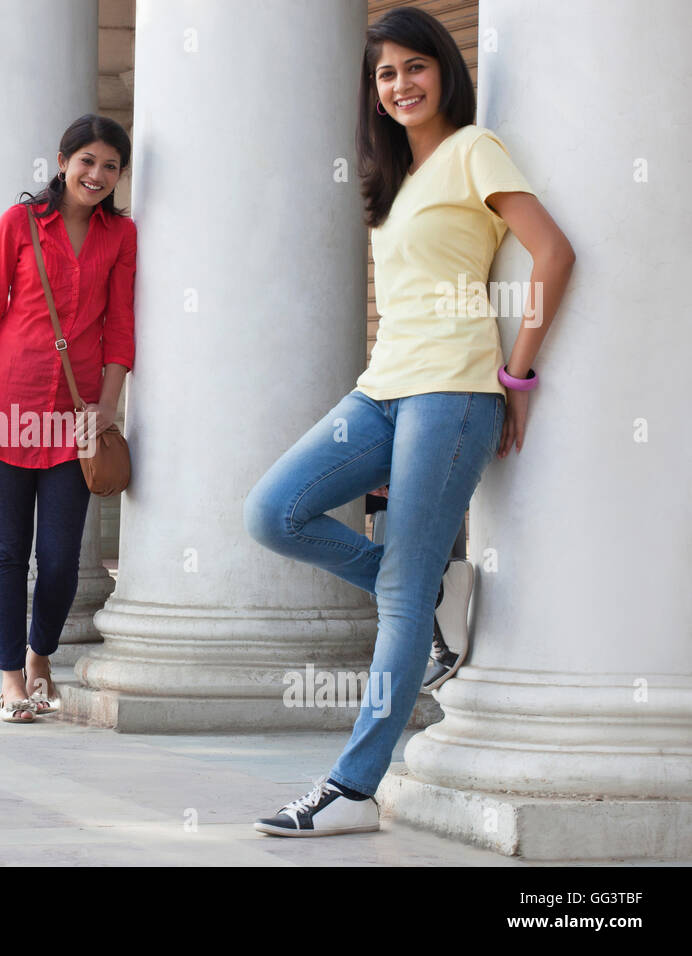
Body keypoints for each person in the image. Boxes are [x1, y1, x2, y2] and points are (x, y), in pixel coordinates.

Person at [244, 7, 574, 835]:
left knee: (397, 591)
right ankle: (426, 591)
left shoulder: (474, 150)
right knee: (274, 511)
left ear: (444, 71)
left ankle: (354, 789)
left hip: (453, 391)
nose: (400, 86)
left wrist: (519, 372)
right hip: (382, 387)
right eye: (385, 75)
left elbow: (554, 252)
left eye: (414, 67)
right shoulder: (390, 178)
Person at [0, 114, 136, 723]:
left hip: (76, 411)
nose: (97, 174)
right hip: (9, 401)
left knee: (61, 557)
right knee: (8, 549)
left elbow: (121, 328)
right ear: (62, 162)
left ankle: (41, 656)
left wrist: (106, 409)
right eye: (87, 160)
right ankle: (11, 679)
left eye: (111, 165)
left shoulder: (121, 235)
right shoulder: (20, 223)